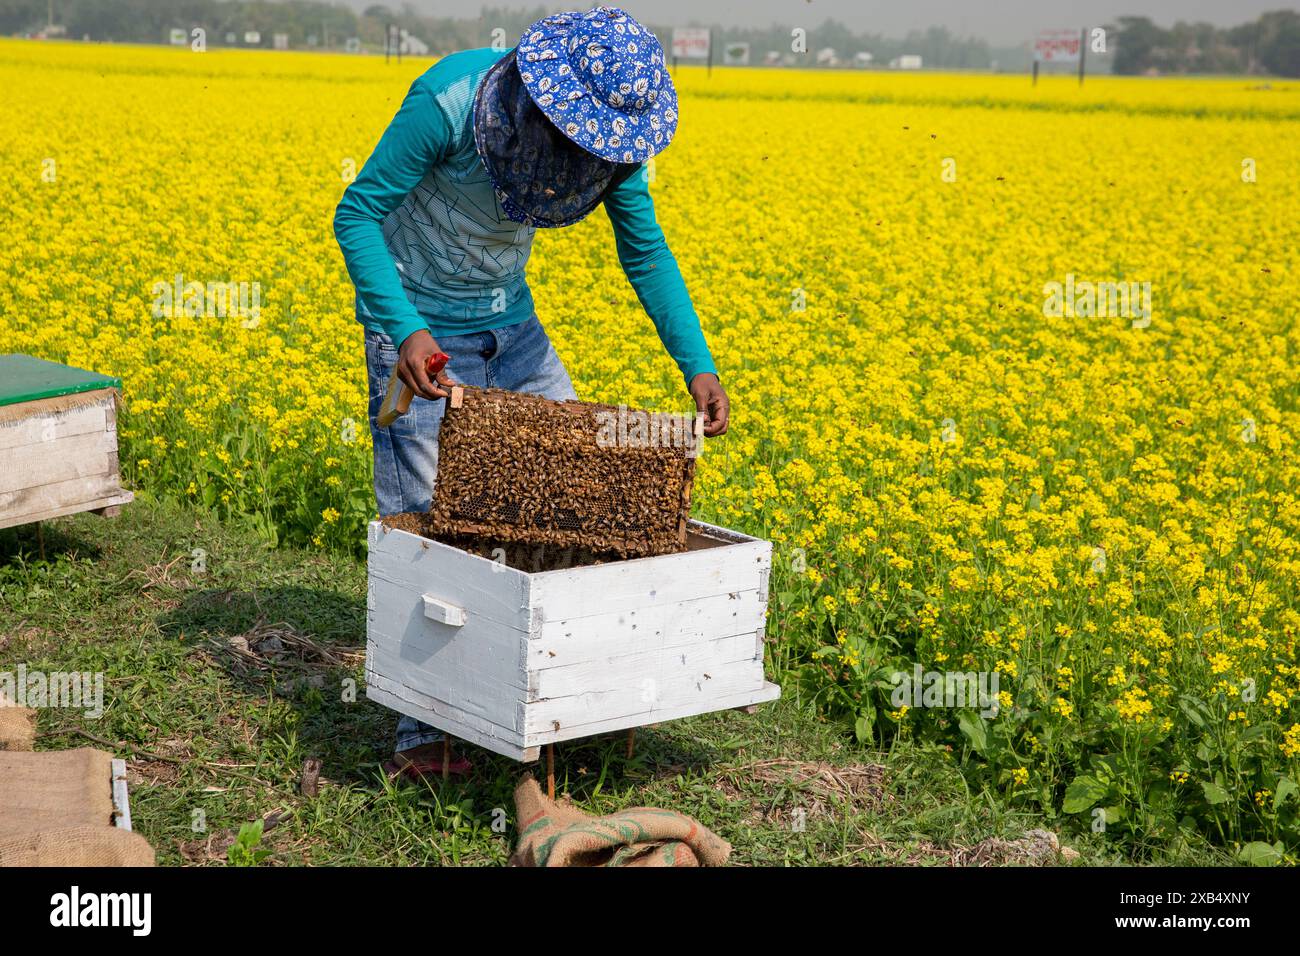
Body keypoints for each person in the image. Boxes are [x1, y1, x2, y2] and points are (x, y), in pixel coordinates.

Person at [334, 5, 729, 780]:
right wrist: (407, 331)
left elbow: (644, 251)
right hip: (413, 328)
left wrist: (698, 366)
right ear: (538, 106)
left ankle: (553, 698)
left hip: (512, 328)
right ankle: (426, 730)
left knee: (576, 501)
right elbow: (357, 215)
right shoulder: (448, 101)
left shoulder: (610, 146)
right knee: (431, 524)